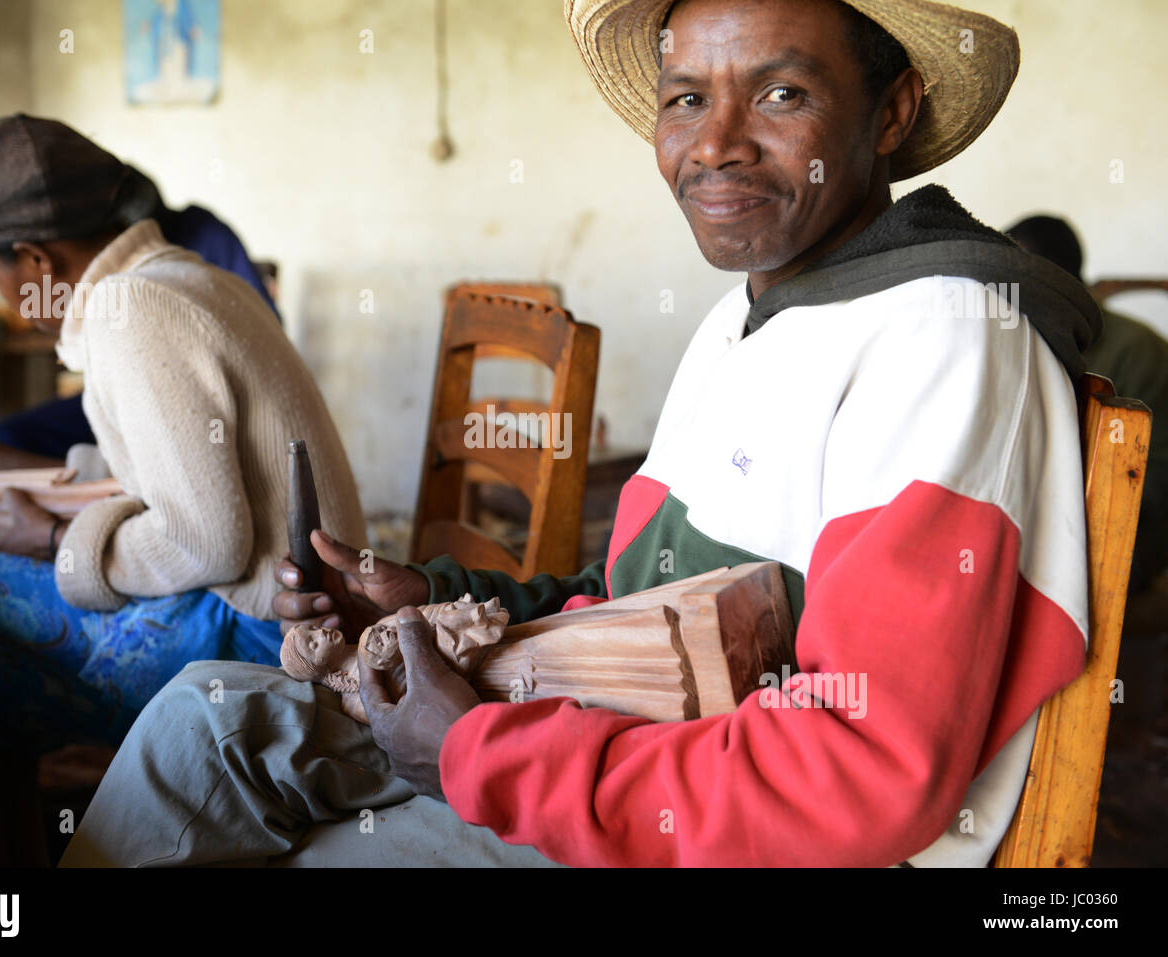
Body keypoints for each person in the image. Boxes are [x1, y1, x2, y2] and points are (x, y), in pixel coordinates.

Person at [62, 0, 1098, 868]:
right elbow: (634, 612)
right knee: (203, 721)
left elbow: (861, 775)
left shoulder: (945, 341)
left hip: (727, 837)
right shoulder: (743, 321)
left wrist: (476, 751)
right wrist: (428, 597)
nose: (716, 142)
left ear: (891, 111)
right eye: (686, 99)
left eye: (781, 94)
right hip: (618, 756)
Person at [0, 114, 366, 752]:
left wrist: (54, 540)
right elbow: (157, 475)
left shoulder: (129, 312)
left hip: (262, 643)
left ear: (34, 259)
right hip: (303, 615)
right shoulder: (187, 278)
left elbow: (206, 545)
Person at [0, 160, 279, 461]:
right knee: (5, 437)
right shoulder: (98, 282)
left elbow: (259, 335)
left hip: (198, 397)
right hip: (132, 393)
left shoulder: (187, 247)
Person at [1006, 214, 1168, 595]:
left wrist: (1058, 503)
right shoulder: (1018, 342)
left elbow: (1158, 481)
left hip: (1125, 536)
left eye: (1018, 282)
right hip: (1040, 528)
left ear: (1062, 282)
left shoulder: (1137, 352)